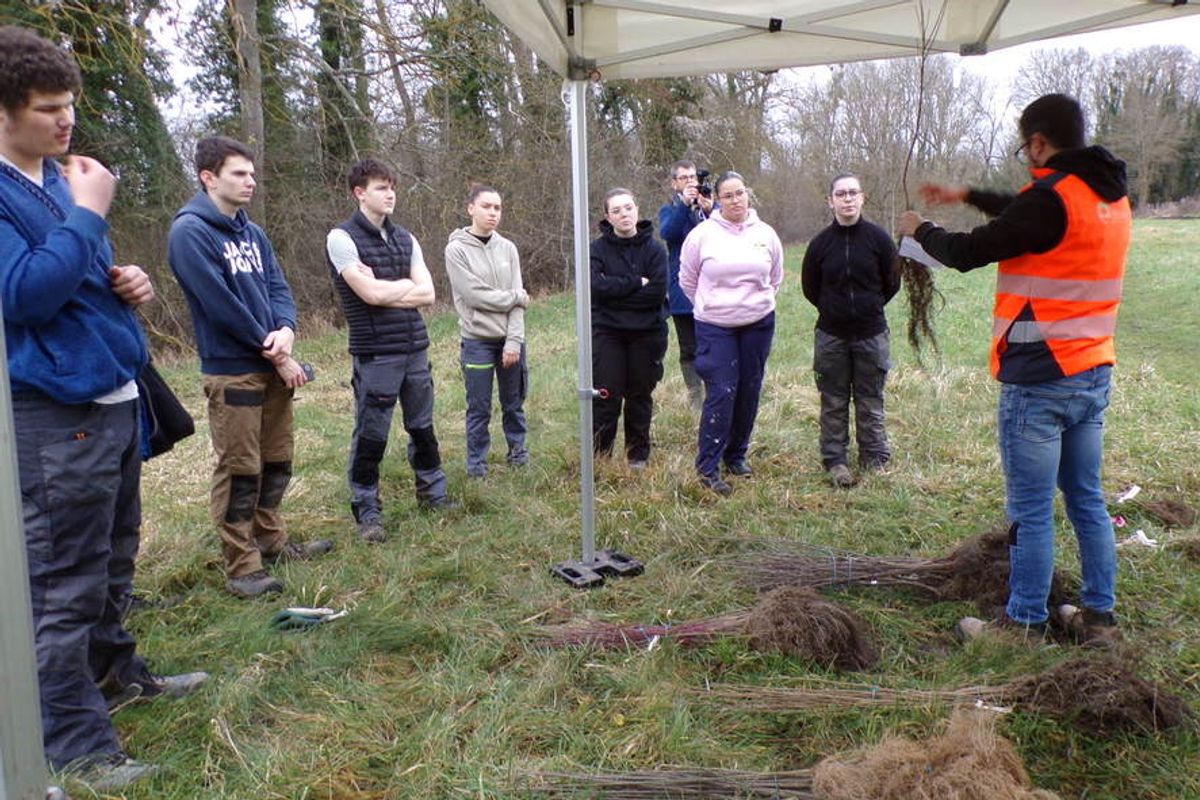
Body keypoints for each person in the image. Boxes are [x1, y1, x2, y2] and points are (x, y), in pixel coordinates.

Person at [0, 25, 205, 789]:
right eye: (49, 108)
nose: (66, 122)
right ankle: (76, 747)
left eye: (71, 106)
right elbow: (21, 294)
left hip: (111, 397)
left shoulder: (55, 178)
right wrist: (89, 212)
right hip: (54, 414)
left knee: (114, 557)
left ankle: (116, 674)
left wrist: (129, 283)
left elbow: (70, 277)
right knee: (62, 581)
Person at [898, 93, 1130, 647]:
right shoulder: (1105, 195)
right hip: (1092, 371)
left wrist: (920, 228)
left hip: (1041, 377)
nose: (1028, 157)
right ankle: (1099, 618)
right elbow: (1028, 213)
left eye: (1028, 148)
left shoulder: (1051, 198)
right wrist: (969, 193)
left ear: (1039, 143)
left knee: (1030, 510)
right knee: (1086, 500)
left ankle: (1023, 624)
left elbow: (971, 249)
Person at [169, 136, 332, 598]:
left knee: (276, 461)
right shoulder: (190, 233)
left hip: (274, 363)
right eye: (239, 173)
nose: (251, 182)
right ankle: (242, 567)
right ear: (208, 177)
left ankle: (272, 541)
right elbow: (222, 307)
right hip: (233, 370)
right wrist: (281, 356)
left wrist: (287, 328)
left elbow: (279, 288)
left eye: (252, 173)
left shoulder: (253, 233)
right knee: (241, 470)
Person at [327, 158, 456, 541]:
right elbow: (367, 294)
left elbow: (429, 294)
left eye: (392, 187)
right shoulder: (341, 238)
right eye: (381, 187)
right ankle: (368, 511)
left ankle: (433, 494)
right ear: (359, 192)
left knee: (422, 428)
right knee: (371, 435)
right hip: (376, 353)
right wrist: (402, 289)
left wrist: (386, 289)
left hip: (415, 348)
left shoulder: (406, 238)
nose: (390, 194)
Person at [680, 171, 784, 496]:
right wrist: (713, 306)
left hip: (758, 324)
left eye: (740, 193)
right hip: (715, 326)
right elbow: (687, 280)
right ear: (719, 200)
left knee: (750, 388)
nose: (735, 200)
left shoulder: (766, 234)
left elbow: (776, 277)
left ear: (747, 195)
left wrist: (753, 305)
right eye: (728, 195)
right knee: (722, 391)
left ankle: (736, 455)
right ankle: (707, 467)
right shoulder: (702, 235)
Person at [801, 173, 900, 488]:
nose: (847, 199)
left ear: (862, 198)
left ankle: (874, 457)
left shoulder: (879, 240)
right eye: (841, 194)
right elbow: (810, 288)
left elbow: (891, 283)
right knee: (833, 399)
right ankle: (835, 460)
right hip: (831, 336)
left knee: (871, 397)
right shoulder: (819, 245)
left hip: (872, 334)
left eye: (852, 193)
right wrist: (835, 311)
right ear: (830, 201)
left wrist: (868, 308)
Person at [444, 184, 530, 478]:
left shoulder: (508, 248)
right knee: (479, 407)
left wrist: (514, 341)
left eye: (498, 208)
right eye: (486, 207)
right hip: (477, 341)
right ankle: (476, 465)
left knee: (514, 402)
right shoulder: (456, 250)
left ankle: (518, 452)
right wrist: (514, 297)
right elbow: (473, 295)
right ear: (471, 209)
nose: (493, 213)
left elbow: (518, 303)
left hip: (510, 341)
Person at [590, 188, 670, 468]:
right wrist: (636, 282)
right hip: (607, 334)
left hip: (647, 334)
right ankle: (599, 459)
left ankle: (637, 457)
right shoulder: (596, 250)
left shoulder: (655, 249)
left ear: (637, 209)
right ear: (607, 217)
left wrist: (616, 294)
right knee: (605, 396)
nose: (624, 214)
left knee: (639, 396)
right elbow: (594, 288)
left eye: (628, 208)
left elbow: (657, 293)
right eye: (616, 210)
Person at [659, 159, 713, 411]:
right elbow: (669, 233)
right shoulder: (669, 210)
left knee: (713, 345)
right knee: (689, 347)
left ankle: (715, 393)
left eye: (693, 177)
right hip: (682, 290)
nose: (691, 182)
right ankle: (695, 398)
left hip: (711, 289)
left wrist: (710, 210)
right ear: (674, 183)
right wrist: (684, 205)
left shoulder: (709, 207)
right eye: (684, 178)